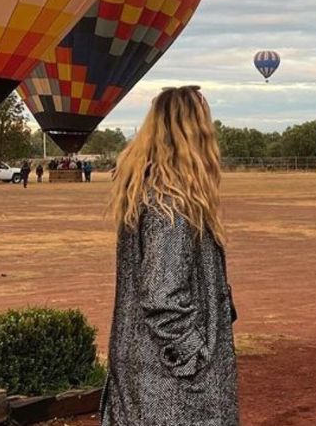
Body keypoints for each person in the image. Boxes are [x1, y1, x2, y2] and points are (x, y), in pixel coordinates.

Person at [102, 86, 238, 425]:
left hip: (147, 367)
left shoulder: (148, 193)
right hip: (169, 382)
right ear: (193, 132)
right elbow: (162, 296)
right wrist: (194, 358)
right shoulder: (172, 204)